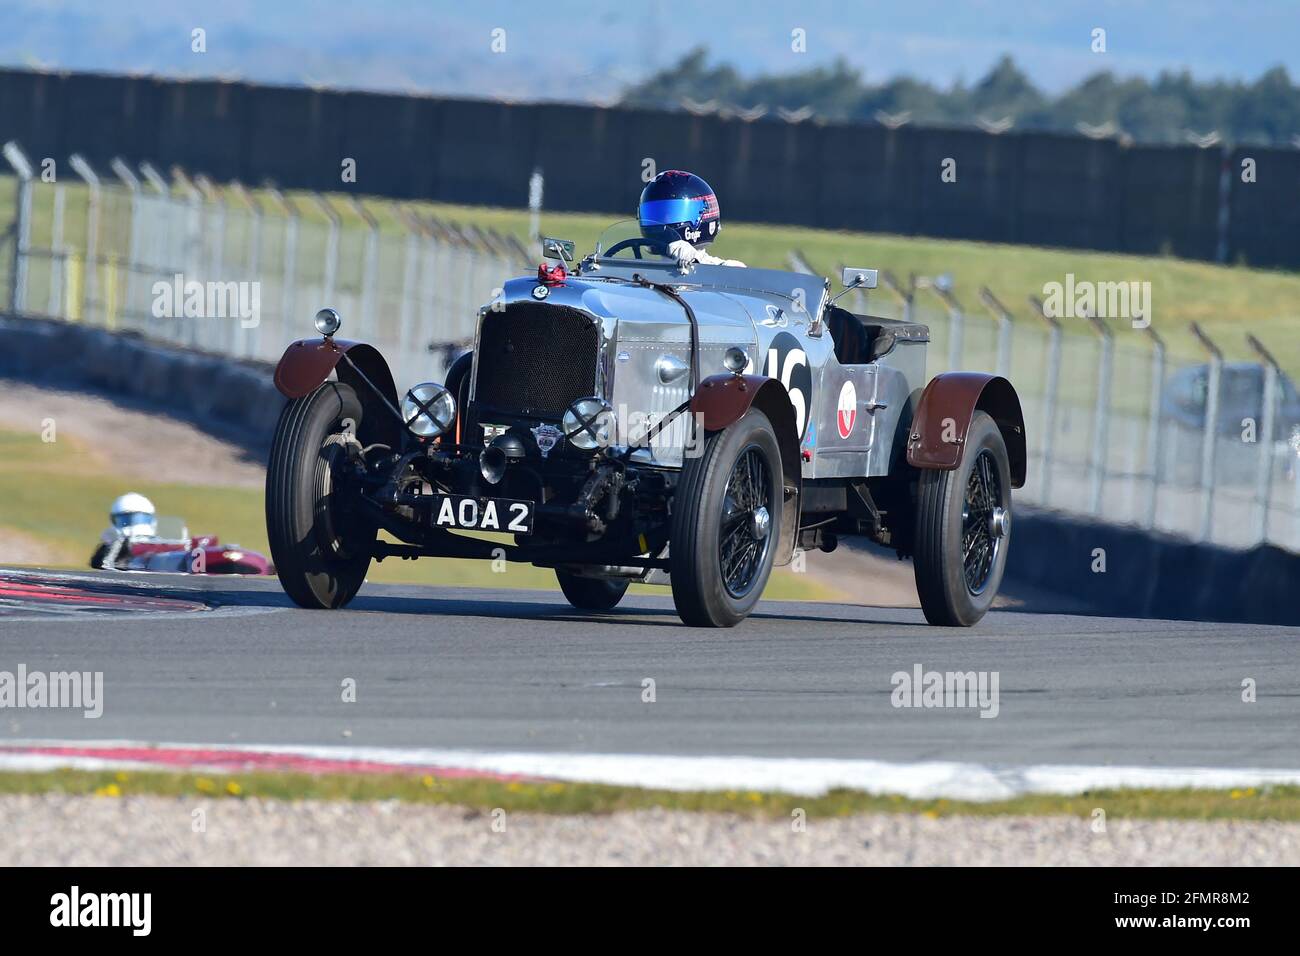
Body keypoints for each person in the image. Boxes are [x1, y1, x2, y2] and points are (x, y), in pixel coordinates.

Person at [638, 170, 745, 268]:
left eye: (672, 213)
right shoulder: (641, 274)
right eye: (654, 213)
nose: (660, 222)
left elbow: (740, 277)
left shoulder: (729, 269)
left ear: (701, 215)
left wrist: (695, 262)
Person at [90, 492, 157, 569]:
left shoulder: (160, 546)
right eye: (125, 519)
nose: (133, 526)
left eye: (140, 518)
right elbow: (97, 564)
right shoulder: (111, 548)